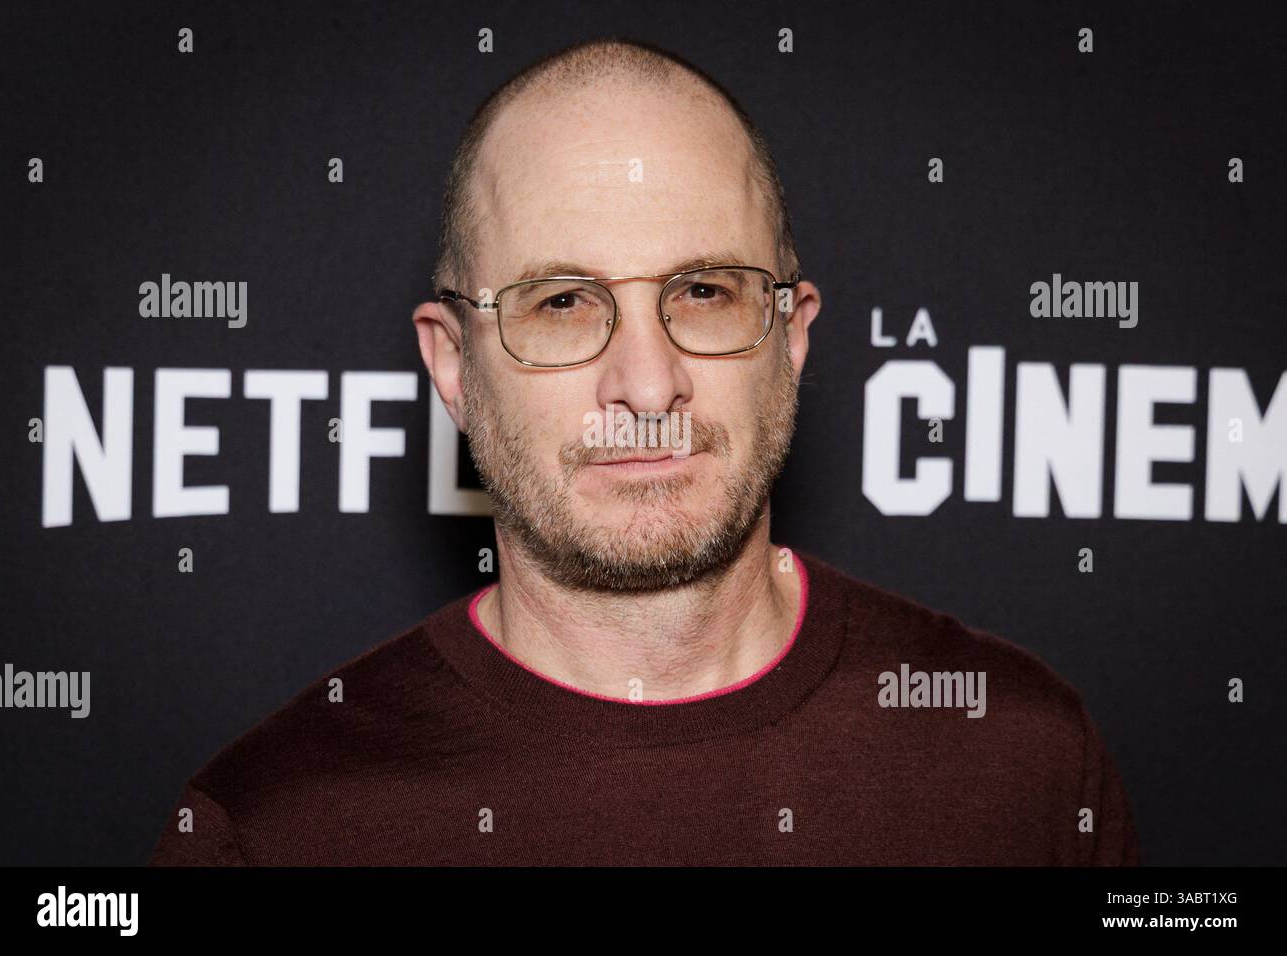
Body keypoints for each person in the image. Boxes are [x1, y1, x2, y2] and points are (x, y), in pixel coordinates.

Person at [149, 37, 1138, 866]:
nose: (646, 382)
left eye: (704, 291)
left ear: (791, 334)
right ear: (453, 362)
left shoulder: (1023, 758)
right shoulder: (280, 828)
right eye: (562, 302)